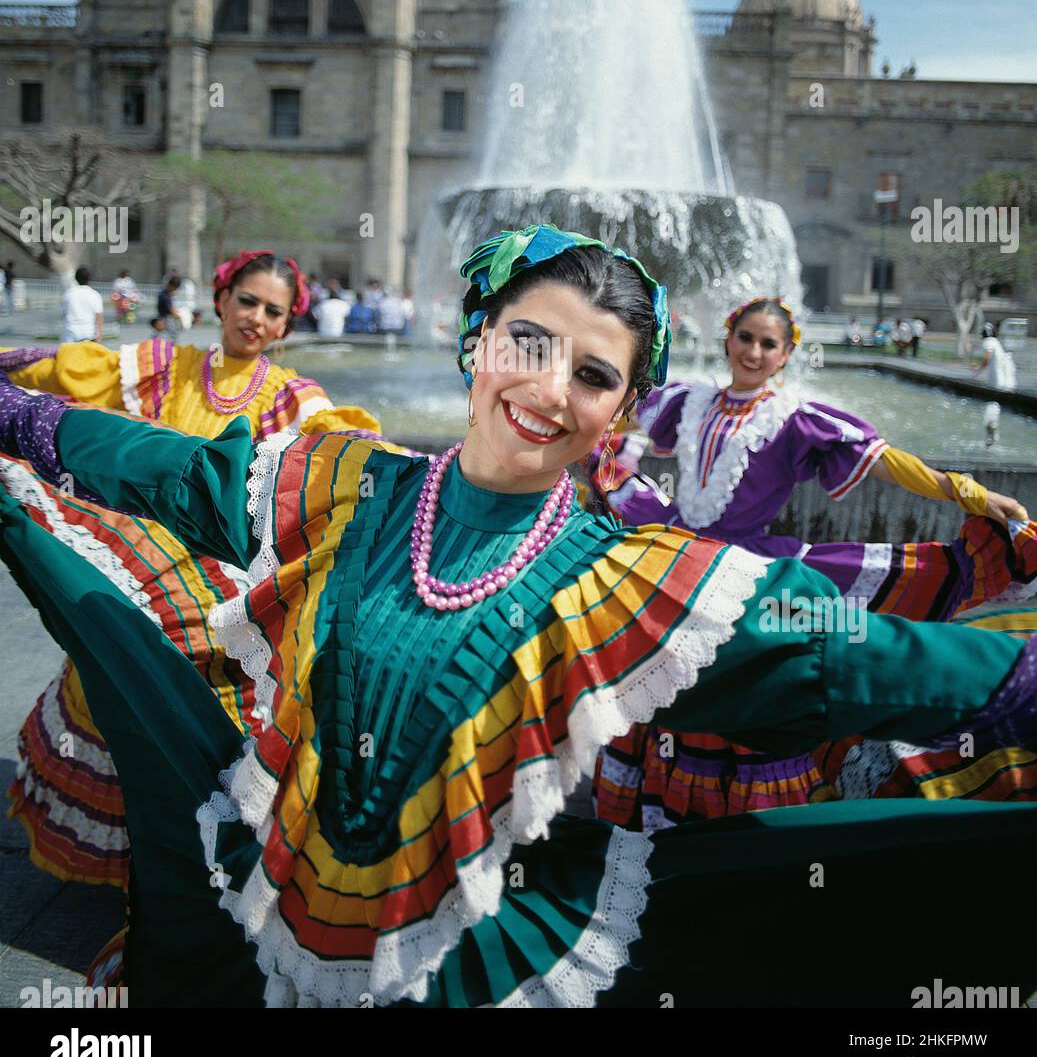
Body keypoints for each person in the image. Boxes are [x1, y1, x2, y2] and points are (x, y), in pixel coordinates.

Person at [1, 224, 1036, 1009]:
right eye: (526, 342)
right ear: (474, 340)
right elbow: (162, 467)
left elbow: (854, 657)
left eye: (592, 374)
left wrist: (1014, 688)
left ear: (622, 412)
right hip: (261, 898)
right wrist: (19, 416)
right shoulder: (334, 481)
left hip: (456, 958)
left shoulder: (635, 581)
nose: (547, 389)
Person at [0, 250, 383, 900]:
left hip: (219, 615)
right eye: (247, 301)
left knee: (190, 745)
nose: (255, 318)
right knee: (111, 707)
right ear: (220, 298)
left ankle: (181, 884)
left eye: (273, 310)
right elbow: (70, 372)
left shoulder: (295, 399)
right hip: (130, 578)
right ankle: (134, 882)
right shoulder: (162, 367)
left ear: (287, 325)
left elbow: (341, 460)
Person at [589, 295, 1037, 829]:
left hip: (749, 570)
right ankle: (656, 806)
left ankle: (731, 821)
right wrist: (613, 443)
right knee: (668, 668)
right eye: (745, 338)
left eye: (768, 344)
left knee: (744, 672)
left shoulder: (796, 419)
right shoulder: (688, 401)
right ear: (728, 339)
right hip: (676, 551)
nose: (753, 352)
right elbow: (621, 403)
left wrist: (969, 493)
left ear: (785, 354)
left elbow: (885, 461)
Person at [972, 321, 1018, 448]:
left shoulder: (989, 342)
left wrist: (978, 368)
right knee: (996, 404)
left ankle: (991, 427)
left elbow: (987, 357)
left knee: (993, 403)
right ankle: (992, 430)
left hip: (998, 379)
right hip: (1005, 378)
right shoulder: (996, 342)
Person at [60, 265, 104, 344]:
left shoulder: (68, 294)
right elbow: (99, 319)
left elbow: (64, 314)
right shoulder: (95, 295)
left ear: (76, 279)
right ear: (89, 279)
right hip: (88, 333)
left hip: (70, 333)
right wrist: (99, 338)